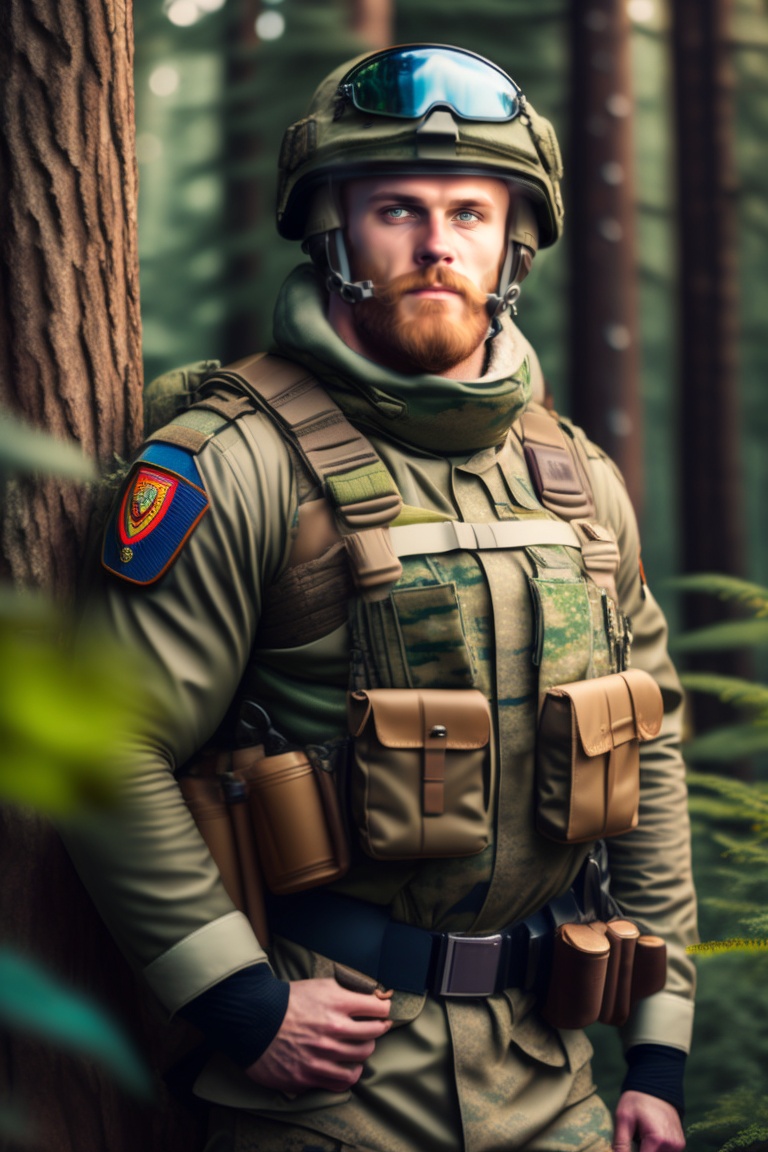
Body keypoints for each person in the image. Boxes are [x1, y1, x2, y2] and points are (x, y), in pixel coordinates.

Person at [64, 44, 697, 1152]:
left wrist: (656, 1052)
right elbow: (106, 740)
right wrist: (237, 1002)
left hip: (553, 1074)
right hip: (323, 1085)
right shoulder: (230, 463)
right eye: (397, 208)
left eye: (470, 211)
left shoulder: (579, 482)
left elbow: (651, 753)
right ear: (333, 230)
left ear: (516, 242)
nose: (438, 244)